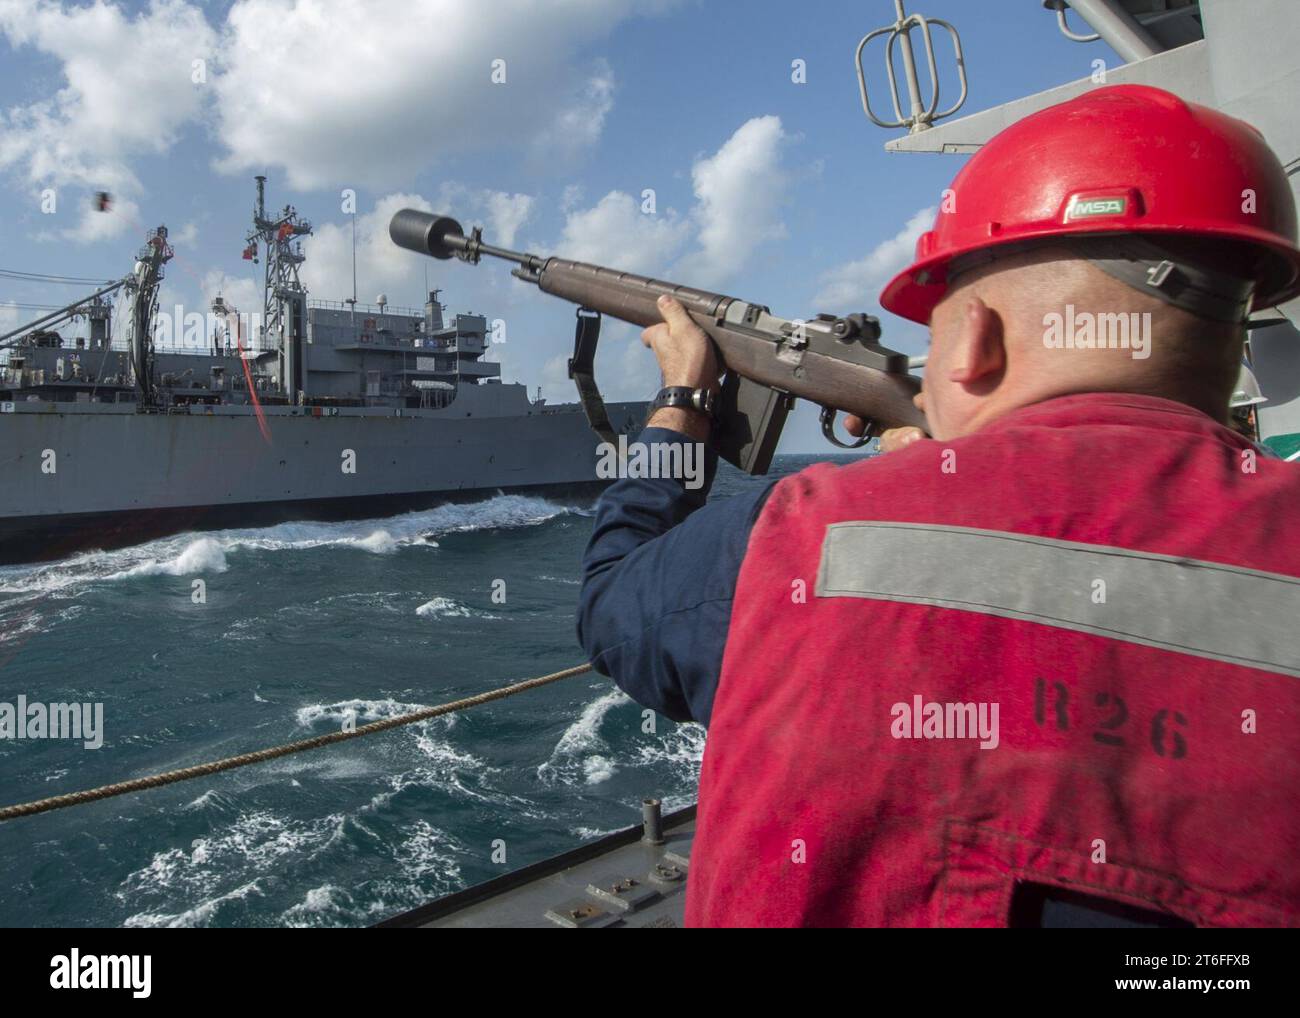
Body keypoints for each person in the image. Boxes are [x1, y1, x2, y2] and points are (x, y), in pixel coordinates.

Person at [576, 85, 1300, 927]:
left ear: (978, 341)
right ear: (1235, 340)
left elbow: (612, 604)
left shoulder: (806, 529)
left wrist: (682, 398)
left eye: (933, 330)